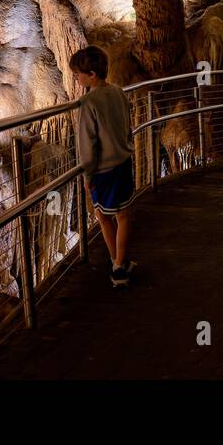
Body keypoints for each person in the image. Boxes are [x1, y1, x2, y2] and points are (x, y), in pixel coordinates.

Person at [69, 45, 137, 288]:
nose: (76, 78)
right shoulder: (118, 92)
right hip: (124, 162)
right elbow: (128, 126)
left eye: (78, 74)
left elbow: (88, 143)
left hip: (104, 170)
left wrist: (88, 174)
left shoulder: (87, 102)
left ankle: (118, 266)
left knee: (102, 214)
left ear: (92, 75)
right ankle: (119, 260)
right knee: (123, 215)